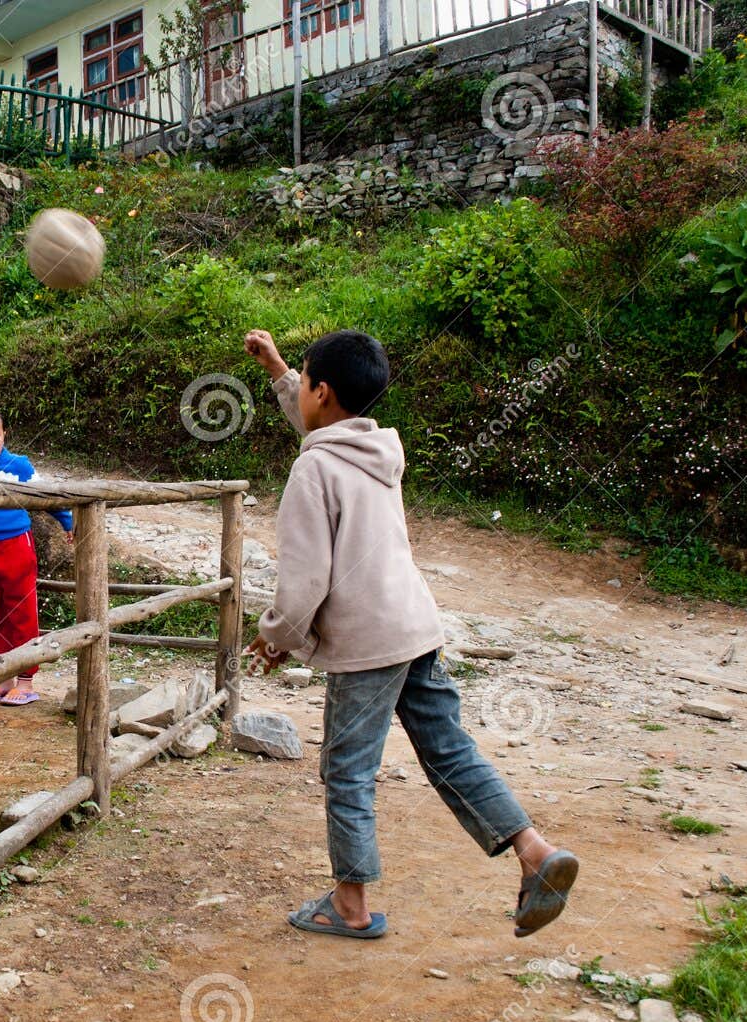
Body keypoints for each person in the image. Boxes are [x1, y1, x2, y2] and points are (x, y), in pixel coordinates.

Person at [241, 328, 577, 938]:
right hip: (416, 627)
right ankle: (534, 852)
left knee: (347, 768)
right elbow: (322, 426)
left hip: (366, 641)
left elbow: (304, 584)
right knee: (447, 748)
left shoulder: (312, 472)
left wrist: (275, 636)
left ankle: (350, 905)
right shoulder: (377, 451)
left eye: (307, 382)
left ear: (322, 391)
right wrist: (282, 370)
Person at [0, 406, 72, 706]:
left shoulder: (19, 466)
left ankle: (25, 679)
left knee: (20, 611)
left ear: (4, 435)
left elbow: (44, 495)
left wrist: (68, 521)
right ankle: (2, 677)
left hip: (14, 546)